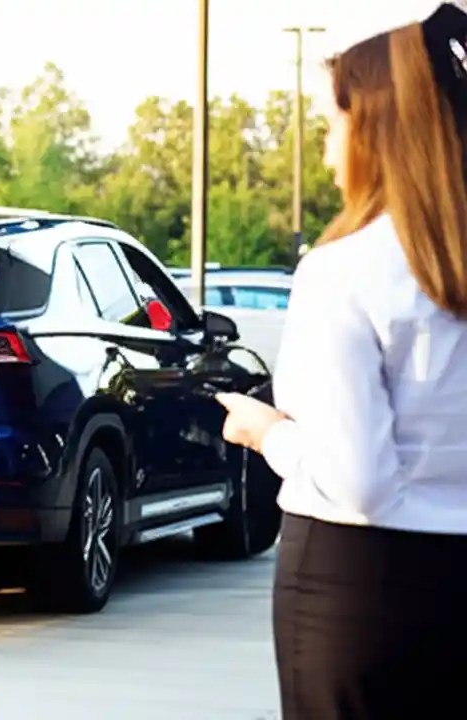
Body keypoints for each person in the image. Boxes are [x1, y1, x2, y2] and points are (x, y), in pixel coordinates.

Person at [216, 6, 467, 718]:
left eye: (331, 123)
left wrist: (267, 433)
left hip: (362, 589)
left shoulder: (346, 271)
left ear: (375, 129)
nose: (326, 150)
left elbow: (359, 480)